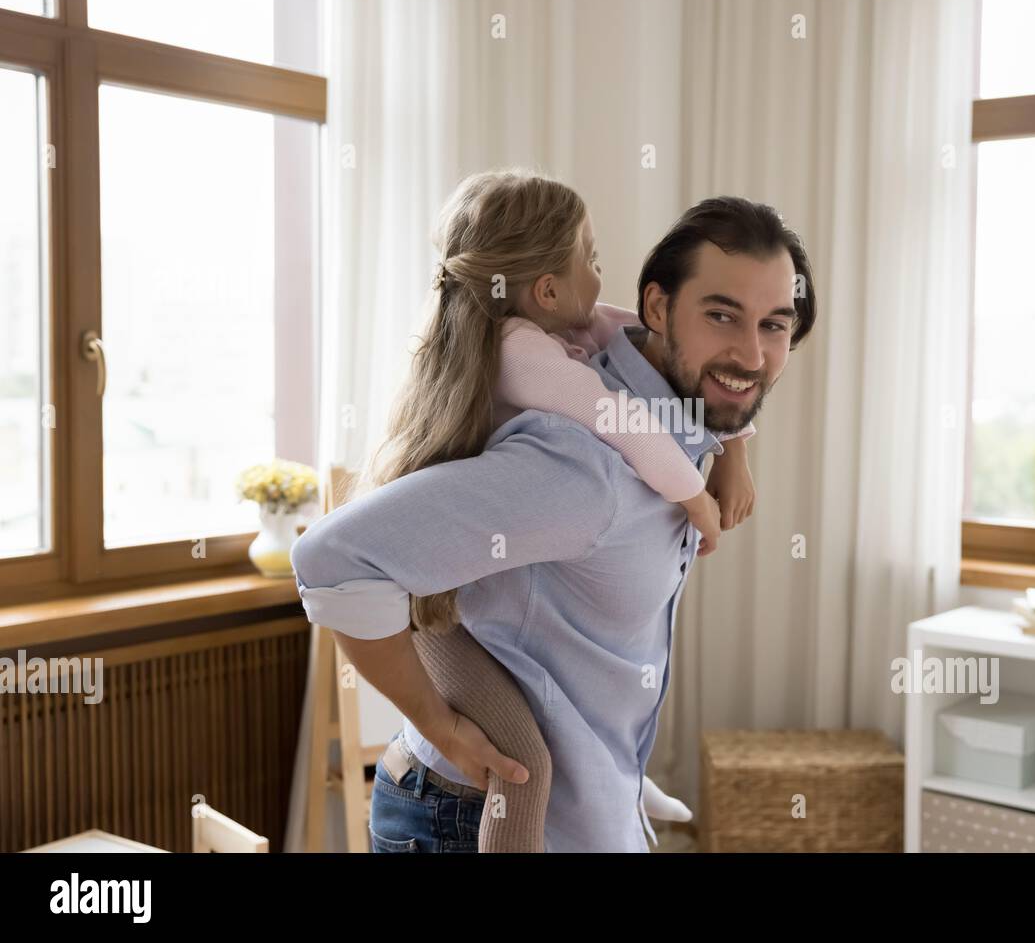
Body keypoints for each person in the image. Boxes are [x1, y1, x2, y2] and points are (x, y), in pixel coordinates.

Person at [291, 179, 816, 851]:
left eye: (774, 324)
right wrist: (437, 720)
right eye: (721, 314)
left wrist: (735, 449)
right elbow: (332, 557)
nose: (751, 352)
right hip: (465, 820)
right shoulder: (586, 468)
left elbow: (727, 383)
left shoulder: (661, 404)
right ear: (658, 306)